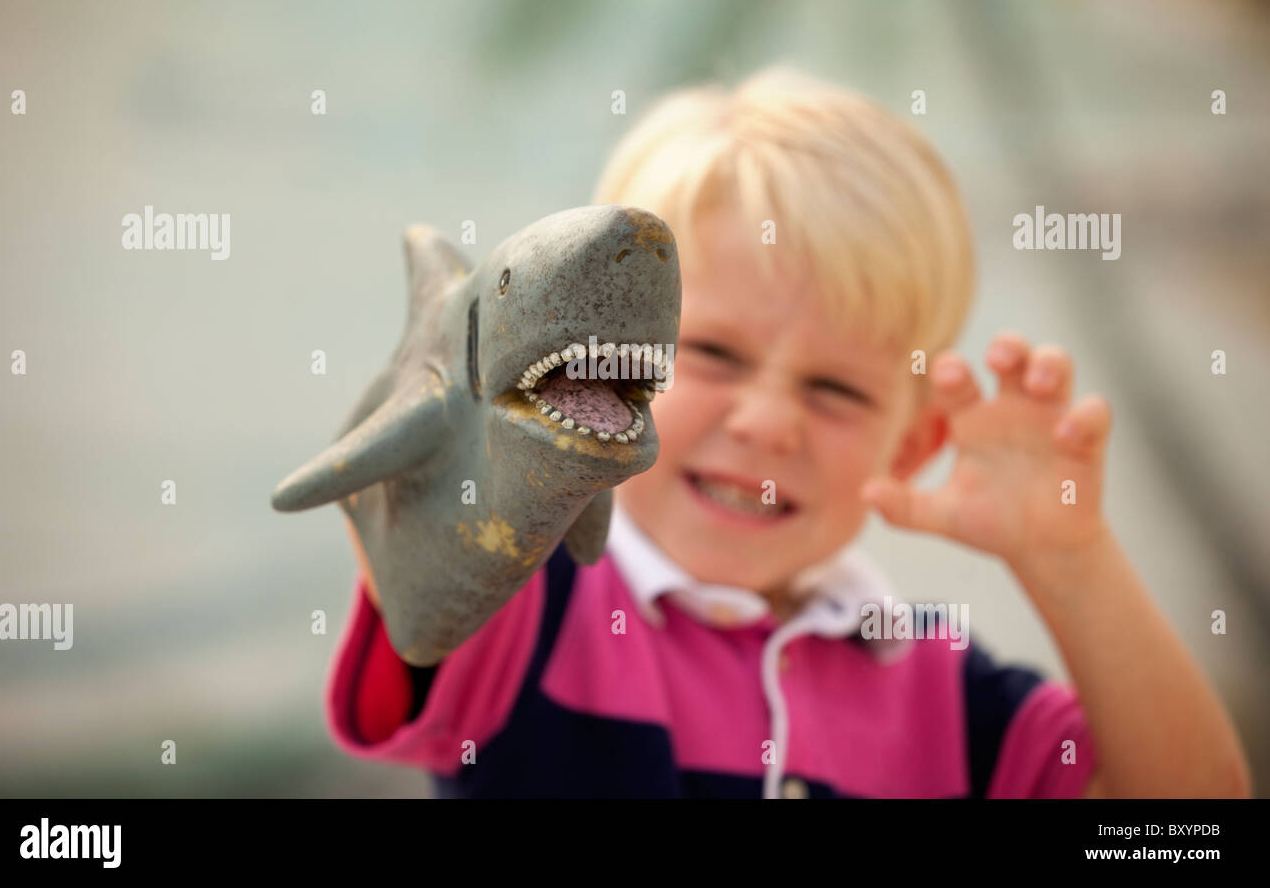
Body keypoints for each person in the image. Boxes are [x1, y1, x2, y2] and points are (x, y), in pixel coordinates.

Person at [324, 64, 1251, 798]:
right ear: (595, 367)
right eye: (716, 354)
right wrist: (456, 410)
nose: (767, 422)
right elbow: (416, 573)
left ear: (915, 444)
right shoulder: (527, 604)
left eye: (837, 389)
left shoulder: (944, 694)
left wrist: (1067, 557)